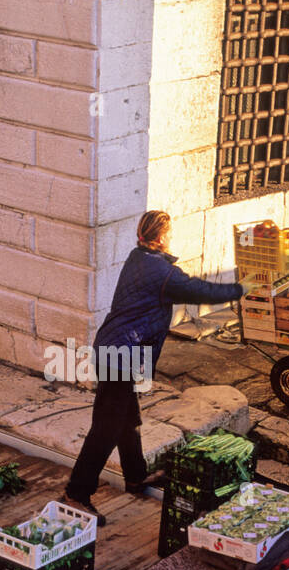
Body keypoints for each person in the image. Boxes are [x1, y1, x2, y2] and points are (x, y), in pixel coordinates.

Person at [64, 210, 252, 525]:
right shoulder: (161, 273)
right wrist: (240, 288)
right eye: (170, 233)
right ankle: (76, 493)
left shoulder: (138, 257)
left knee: (127, 419)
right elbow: (202, 290)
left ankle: (136, 476)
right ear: (161, 237)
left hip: (116, 347)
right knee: (106, 428)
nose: (171, 237)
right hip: (120, 353)